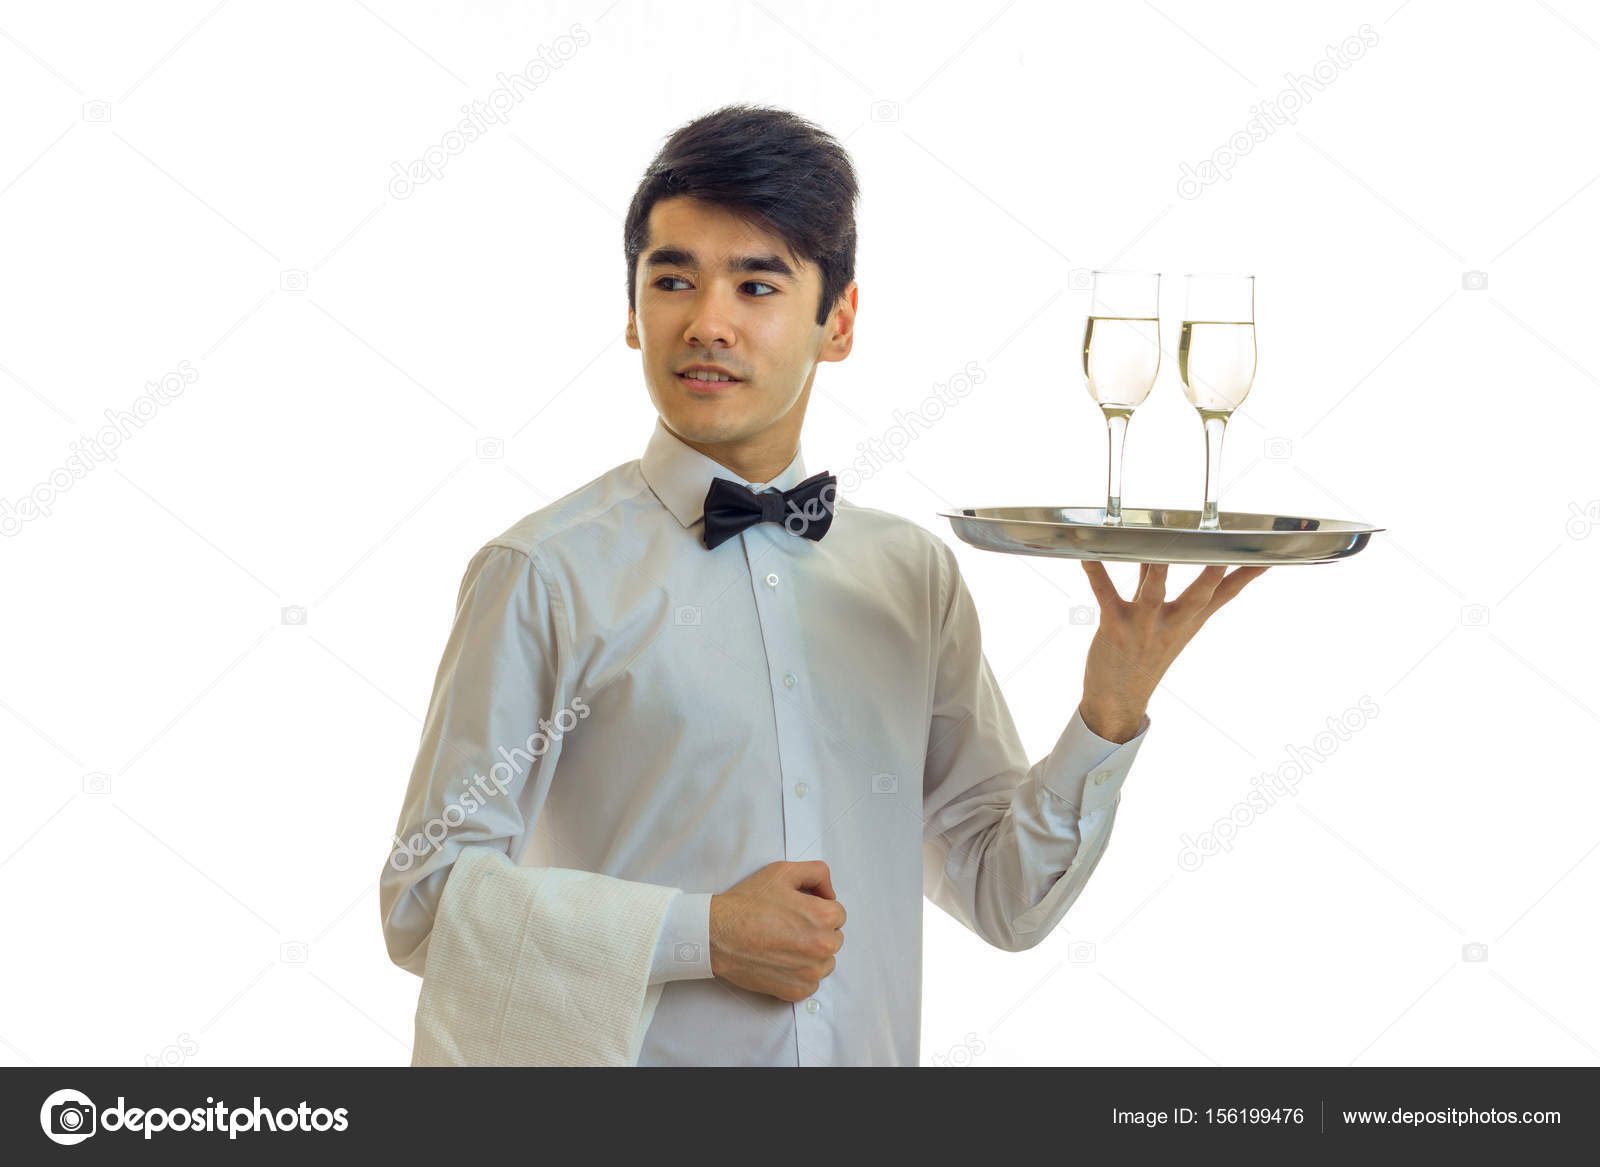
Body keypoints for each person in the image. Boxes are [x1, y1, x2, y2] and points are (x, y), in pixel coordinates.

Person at [378, 102, 1267, 1067]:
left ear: (837, 321)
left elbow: (1005, 898)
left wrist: (1111, 707)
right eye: (673, 278)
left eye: (757, 284)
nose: (707, 322)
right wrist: (704, 930)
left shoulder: (912, 576)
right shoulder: (540, 575)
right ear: (633, 315)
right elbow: (426, 899)